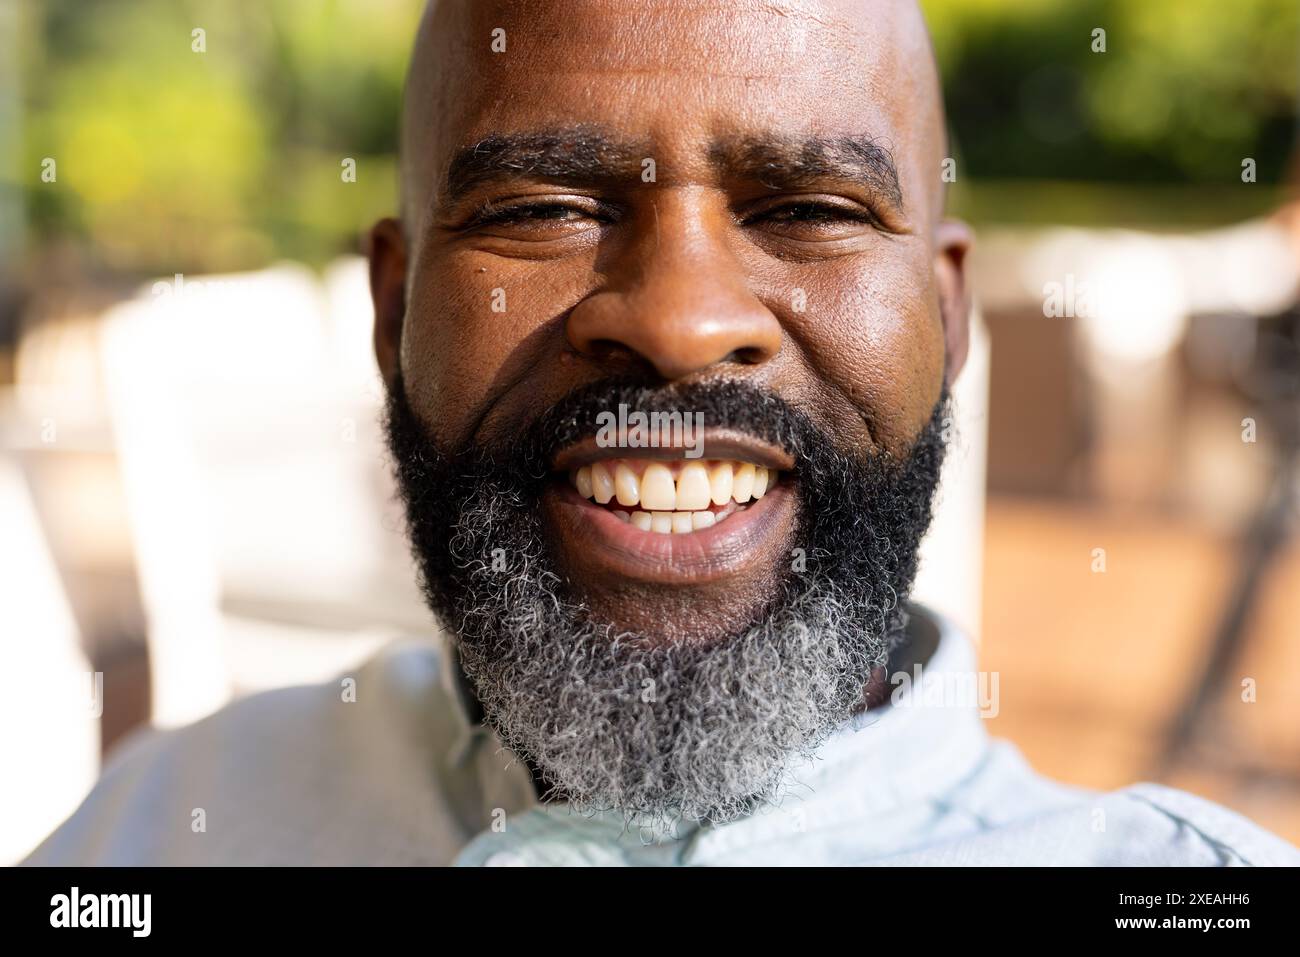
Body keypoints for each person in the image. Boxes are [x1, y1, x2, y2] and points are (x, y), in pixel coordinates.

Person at [26, 0, 1300, 866]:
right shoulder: (165, 825)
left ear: (946, 314)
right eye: (541, 206)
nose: (682, 321)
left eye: (808, 206)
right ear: (393, 307)